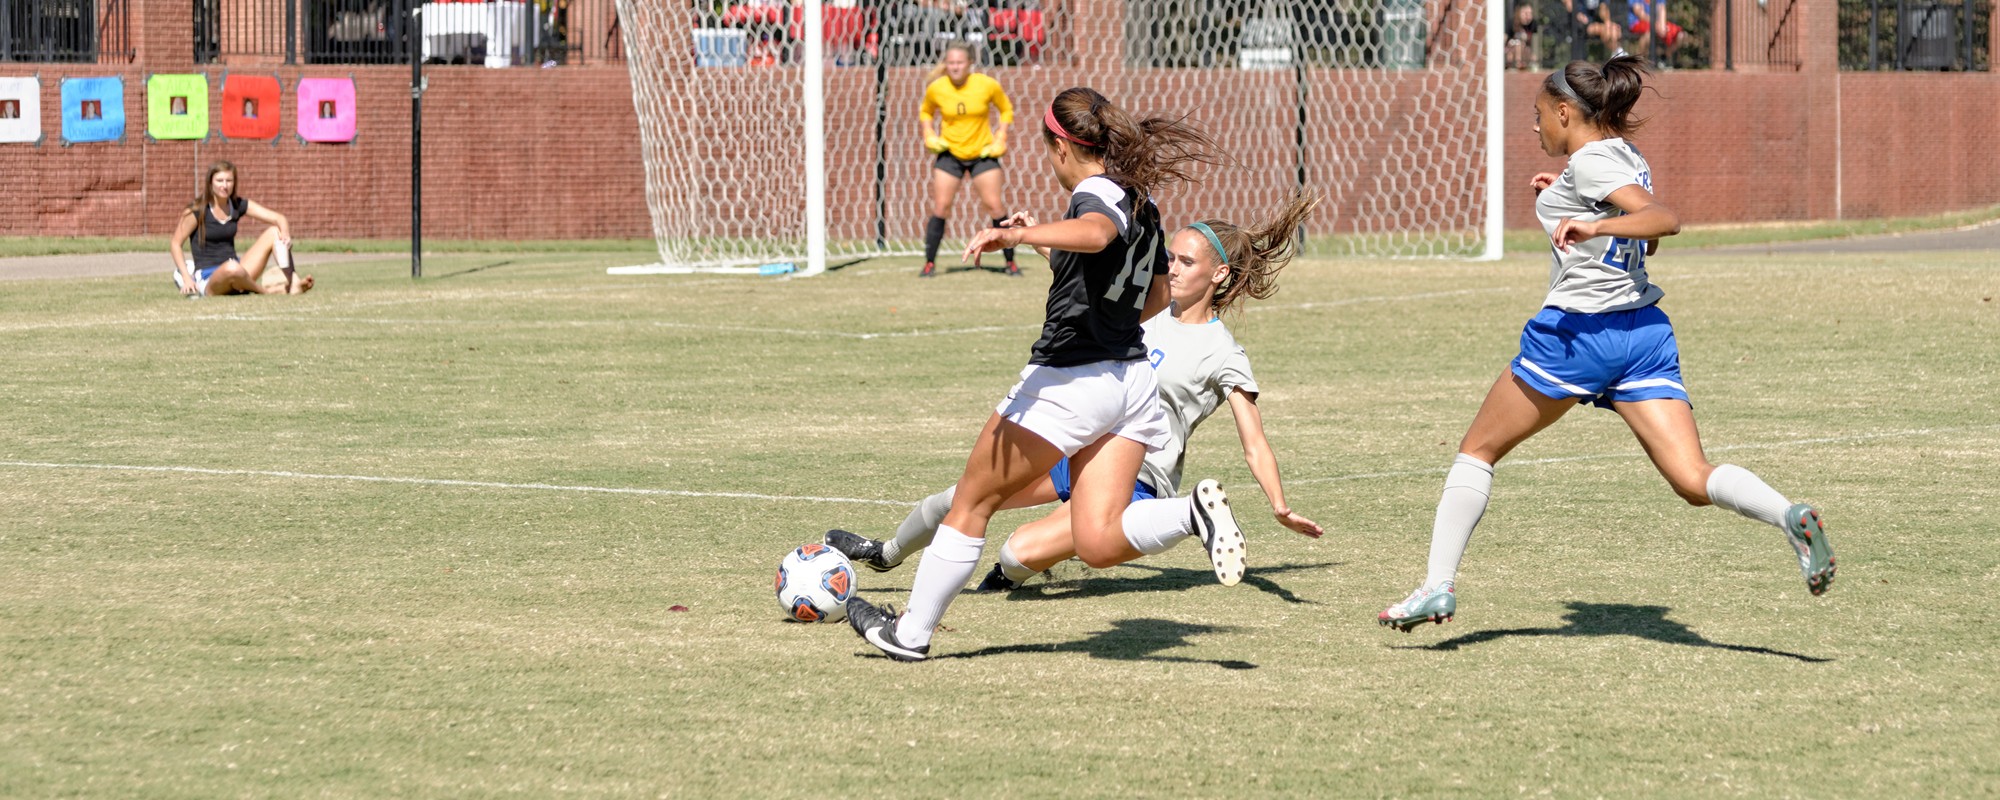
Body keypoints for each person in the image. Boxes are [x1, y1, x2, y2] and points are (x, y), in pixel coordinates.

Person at [1376, 56, 1836, 633]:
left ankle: (1435, 587)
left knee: (1477, 451)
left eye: (1540, 114)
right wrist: (1566, 196)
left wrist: (1594, 224)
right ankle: (1789, 516)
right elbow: (1634, 227)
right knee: (1693, 480)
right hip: (1641, 334)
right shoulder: (1622, 157)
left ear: (1566, 112)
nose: (1535, 126)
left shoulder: (1592, 161)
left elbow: (1662, 221)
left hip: (1578, 335)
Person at [843, 87, 1225, 662]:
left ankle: (910, 635)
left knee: (971, 500)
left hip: (1073, 382)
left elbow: (1096, 234)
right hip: (1131, 384)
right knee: (1097, 537)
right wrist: (1055, 254)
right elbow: (1151, 300)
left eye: (1049, 150)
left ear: (1064, 146)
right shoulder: (1143, 203)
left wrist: (1016, 234)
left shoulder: (1095, 193)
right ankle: (1189, 512)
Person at [826, 196, 1327, 591]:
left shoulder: (1223, 353)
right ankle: (886, 554)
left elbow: (1254, 442)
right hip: (1078, 445)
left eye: (1185, 262)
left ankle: (1185, 516)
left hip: (1137, 476)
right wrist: (1037, 244)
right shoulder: (1145, 309)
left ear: (1217, 275)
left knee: (1014, 553)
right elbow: (1098, 284)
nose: (1171, 268)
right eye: (1169, 256)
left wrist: (1279, 506)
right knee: (958, 499)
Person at [917, 42, 1018, 278]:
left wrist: (1001, 136)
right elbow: (926, 111)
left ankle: (1010, 263)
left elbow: (1005, 109)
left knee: (995, 206)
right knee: (941, 207)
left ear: (969, 63)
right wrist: (929, 133)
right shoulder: (937, 88)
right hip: (950, 154)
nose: (954, 67)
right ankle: (929, 264)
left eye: (959, 62)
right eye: (950, 62)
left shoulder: (986, 85)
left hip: (982, 154)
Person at [168, 161, 313, 297]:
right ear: (210, 183)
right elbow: (176, 243)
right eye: (220, 180)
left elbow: (279, 218)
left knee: (274, 232)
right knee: (232, 268)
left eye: (229, 181)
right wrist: (187, 278)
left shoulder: (237, 204)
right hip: (209, 278)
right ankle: (266, 292)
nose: (224, 185)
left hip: (238, 269)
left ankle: (293, 282)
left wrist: (285, 236)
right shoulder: (196, 210)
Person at [1507, 3, 1540, 71]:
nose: (1528, 16)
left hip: (1525, 51)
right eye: (1525, 13)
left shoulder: (1533, 24)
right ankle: (1517, 63)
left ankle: (1522, 64)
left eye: (1530, 13)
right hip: (1512, 51)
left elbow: (1532, 43)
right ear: (1519, 13)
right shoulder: (1511, 23)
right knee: (1518, 45)